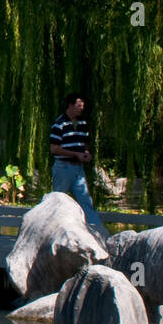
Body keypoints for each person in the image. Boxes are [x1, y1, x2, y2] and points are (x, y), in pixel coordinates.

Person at [50, 92, 104, 236]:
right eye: (79, 106)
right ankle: (53, 231)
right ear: (70, 106)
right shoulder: (59, 123)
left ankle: (97, 232)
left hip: (78, 168)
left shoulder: (82, 124)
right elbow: (54, 149)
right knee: (58, 201)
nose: (82, 108)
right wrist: (75, 154)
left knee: (86, 200)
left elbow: (83, 144)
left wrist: (86, 153)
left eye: (83, 106)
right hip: (63, 168)